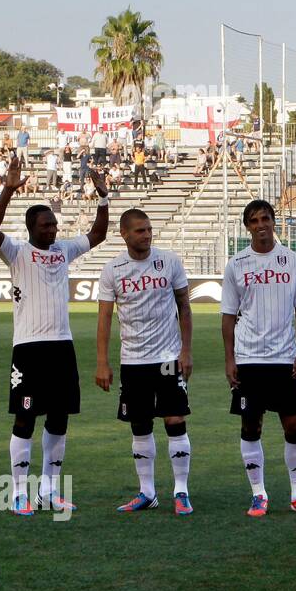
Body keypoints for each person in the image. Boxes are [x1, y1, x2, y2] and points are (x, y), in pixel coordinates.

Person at [0, 156, 109, 514]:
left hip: (61, 348)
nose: (53, 230)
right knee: (25, 419)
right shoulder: (17, 254)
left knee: (59, 419)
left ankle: (49, 490)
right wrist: (8, 189)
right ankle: (19, 493)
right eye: (45, 225)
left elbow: (98, 234)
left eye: (54, 225)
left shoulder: (63, 251)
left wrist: (102, 198)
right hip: (28, 350)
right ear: (30, 228)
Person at [221, 200, 296, 517]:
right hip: (249, 358)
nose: (261, 224)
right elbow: (227, 317)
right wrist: (229, 359)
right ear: (247, 227)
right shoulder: (236, 264)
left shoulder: (292, 261)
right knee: (251, 424)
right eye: (254, 220)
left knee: (294, 424)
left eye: (265, 218)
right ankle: (258, 494)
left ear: (274, 221)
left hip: (284, 358)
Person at [95, 209, 195, 515]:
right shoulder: (113, 270)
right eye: (140, 231)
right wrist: (102, 361)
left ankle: (181, 491)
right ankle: (147, 492)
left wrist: (186, 351)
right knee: (139, 426)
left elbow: (184, 307)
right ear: (124, 234)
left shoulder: (169, 261)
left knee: (175, 419)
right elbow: (104, 318)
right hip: (133, 361)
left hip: (167, 358)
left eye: (149, 229)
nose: (147, 235)